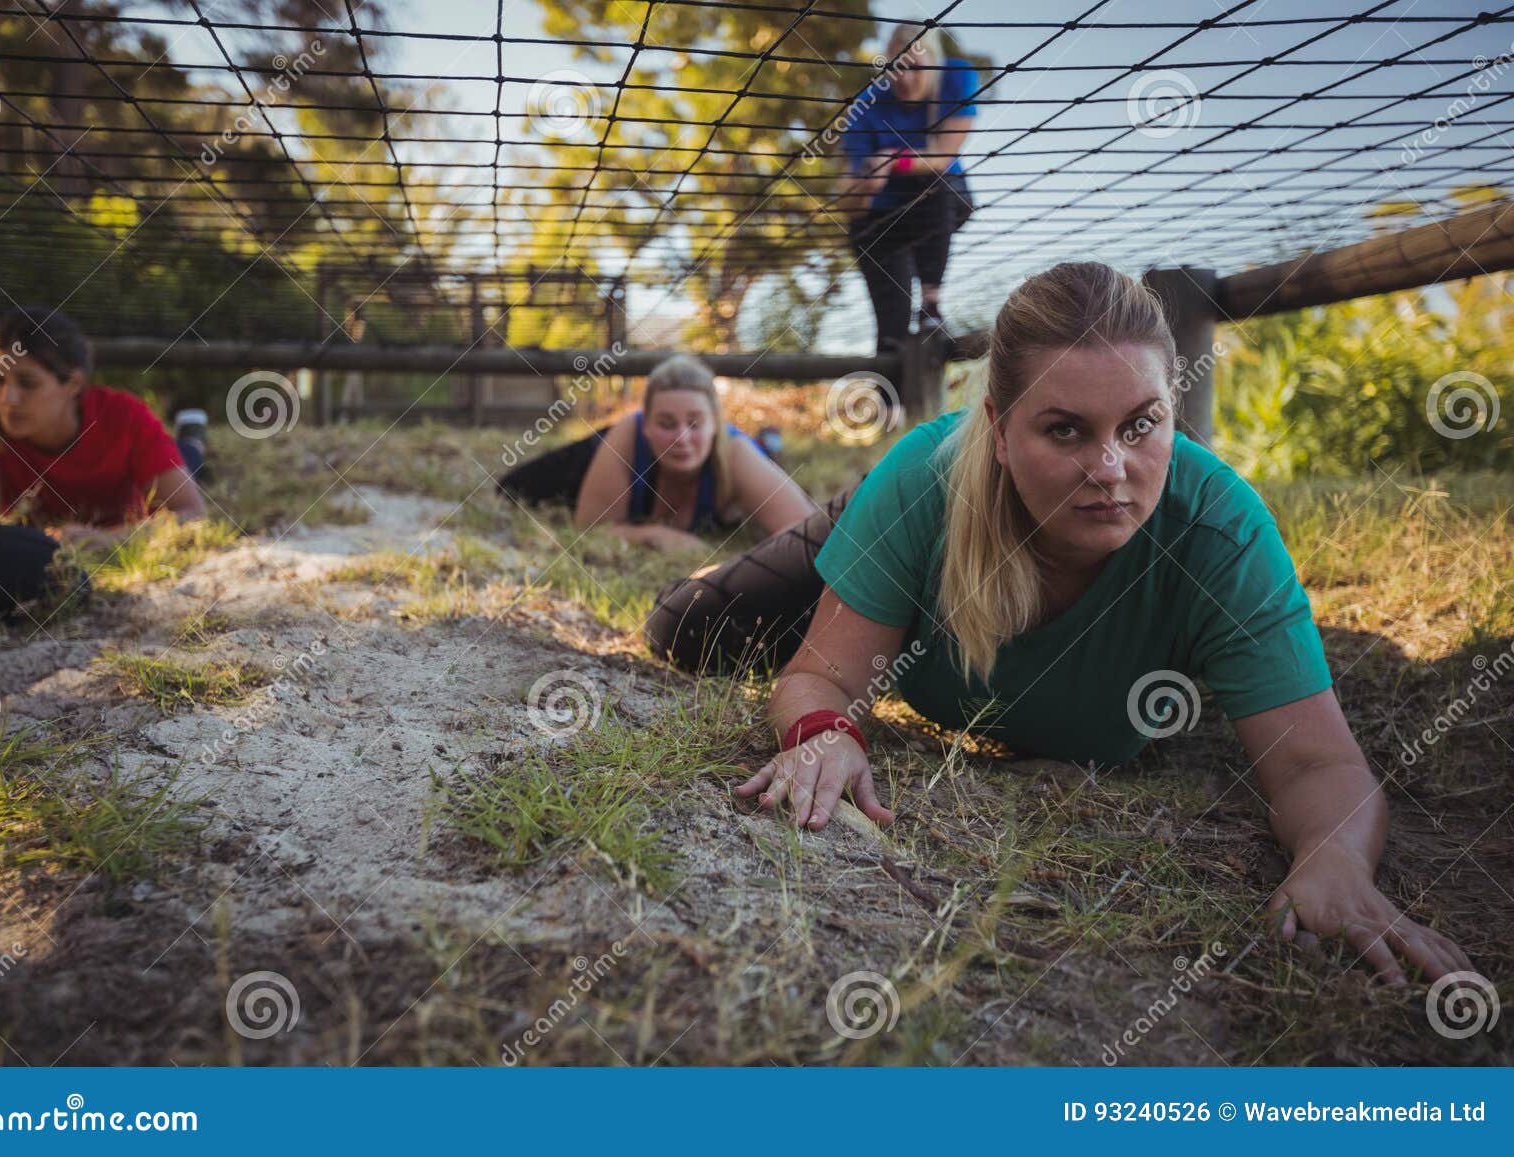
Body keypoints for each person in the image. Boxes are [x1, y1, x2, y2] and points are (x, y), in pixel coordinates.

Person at [647, 261, 1476, 986]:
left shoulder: (1223, 532)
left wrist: (1333, 863)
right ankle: (842, 555)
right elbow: (821, 680)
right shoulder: (928, 483)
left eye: (1141, 425)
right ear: (1002, 431)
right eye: (1066, 429)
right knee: (685, 627)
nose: (1111, 470)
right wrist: (826, 730)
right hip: (896, 512)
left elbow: (1319, 762)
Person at [497, 354, 815, 550]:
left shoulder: (735, 452)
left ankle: (769, 443)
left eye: (694, 423)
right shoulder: (628, 434)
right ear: (645, 423)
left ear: (716, 425)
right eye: (666, 423)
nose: (681, 437)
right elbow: (590, 529)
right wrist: (654, 535)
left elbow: (806, 534)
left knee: (765, 460)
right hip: (603, 464)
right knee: (512, 489)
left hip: (740, 457)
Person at [0, 307, 205, 546]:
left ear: (74, 384)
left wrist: (105, 539)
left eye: (28, 383)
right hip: (37, 533)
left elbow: (192, 514)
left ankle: (192, 439)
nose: (7, 398)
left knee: (189, 459)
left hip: (125, 518)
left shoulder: (124, 416)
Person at [839, 23, 981, 355]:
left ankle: (931, 304)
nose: (904, 79)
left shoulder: (956, 77)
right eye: (896, 68)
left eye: (915, 68)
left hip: (942, 201)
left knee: (933, 185)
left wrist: (893, 161)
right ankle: (892, 404)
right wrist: (865, 183)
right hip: (883, 221)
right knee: (892, 333)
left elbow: (943, 155)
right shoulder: (866, 105)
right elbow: (845, 196)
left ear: (934, 61)